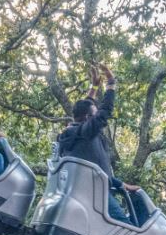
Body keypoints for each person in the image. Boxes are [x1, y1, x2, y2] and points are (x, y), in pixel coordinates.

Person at [56, 64, 147, 226]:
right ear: (88, 118)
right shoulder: (85, 133)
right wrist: (111, 83)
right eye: (94, 113)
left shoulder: (75, 134)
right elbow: (104, 111)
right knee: (127, 228)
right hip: (96, 192)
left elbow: (84, 108)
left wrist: (93, 87)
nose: (97, 114)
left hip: (92, 188)